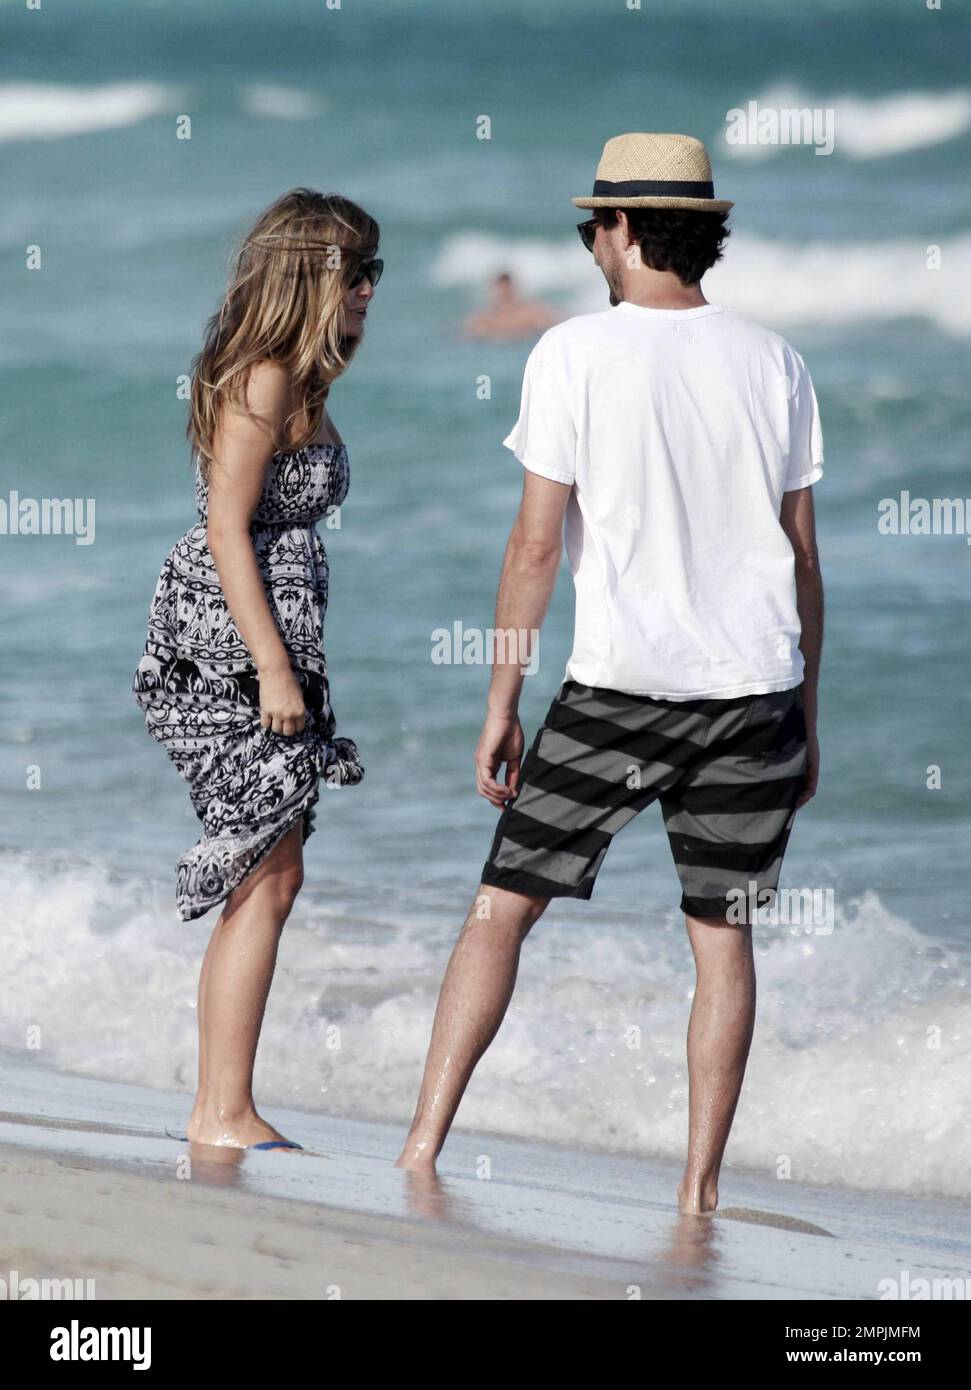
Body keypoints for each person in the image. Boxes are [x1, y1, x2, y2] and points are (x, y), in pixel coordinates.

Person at [397, 134, 824, 1214]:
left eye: (593, 223)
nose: (589, 241)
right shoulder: (775, 360)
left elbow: (533, 547)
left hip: (619, 690)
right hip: (753, 694)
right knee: (720, 940)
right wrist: (805, 713)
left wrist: (500, 700)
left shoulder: (573, 354)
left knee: (500, 910)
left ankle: (420, 1148)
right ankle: (696, 1192)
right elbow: (800, 555)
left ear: (623, 230)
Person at [132, 189, 381, 1151]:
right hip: (222, 652)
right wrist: (274, 669)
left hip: (270, 645)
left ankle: (220, 1108)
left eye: (375, 275)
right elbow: (225, 529)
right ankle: (221, 1111)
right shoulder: (264, 376)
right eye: (355, 273)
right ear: (309, 276)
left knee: (272, 868)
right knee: (267, 868)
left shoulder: (299, 378)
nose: (367, 292)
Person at [462, 270, 560, 341]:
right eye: (501, 292)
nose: (503, 295)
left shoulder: (529, 313)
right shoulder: (485, 319)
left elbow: (554, 326)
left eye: (506, 292)